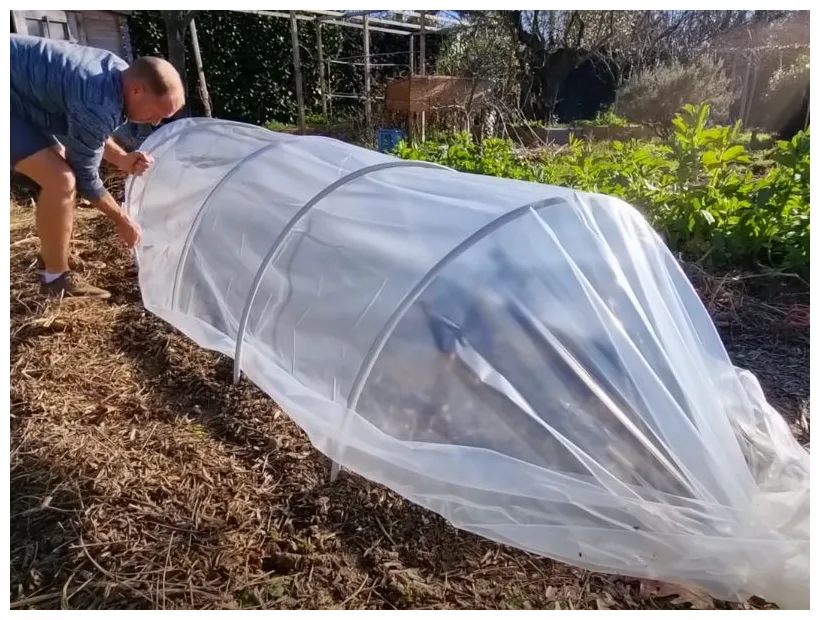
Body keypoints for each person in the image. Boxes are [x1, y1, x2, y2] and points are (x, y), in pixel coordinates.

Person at [10, 33, 186, 299]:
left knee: (57, 168)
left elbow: (89, 134)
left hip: (19, 97)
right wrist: (123, 220)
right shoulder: (98, 102)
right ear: (138, 90)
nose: (155, 122)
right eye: (157, 112)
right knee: (62, 179)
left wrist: (123, 159)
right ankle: (56, 278)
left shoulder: (116, 73)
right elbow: (85, 175)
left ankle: (54, 256)